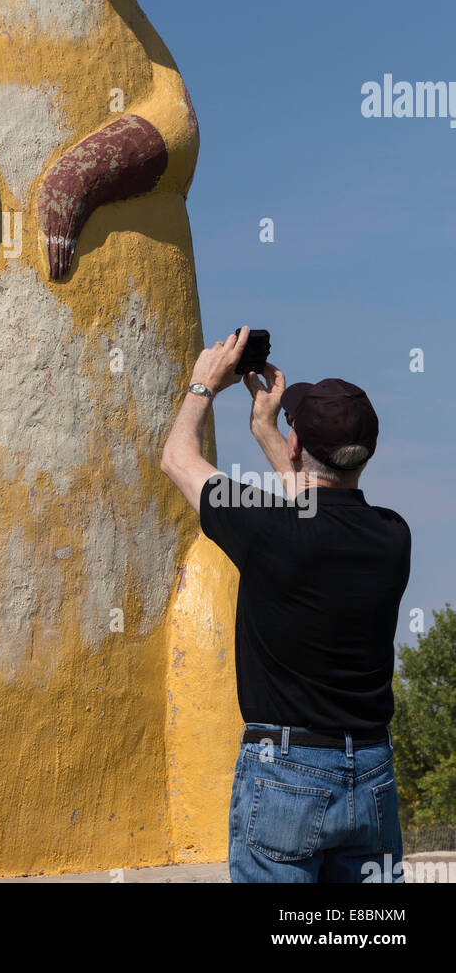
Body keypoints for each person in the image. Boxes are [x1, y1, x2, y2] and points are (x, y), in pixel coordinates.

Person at [160, 327, 411, 883]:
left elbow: (178, 458)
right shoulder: (393, 536)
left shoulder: (265, 528)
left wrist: (203, 387)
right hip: (371, 772)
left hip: (285, 771)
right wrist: (268, 431)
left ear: (299, 449)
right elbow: (315, 506)